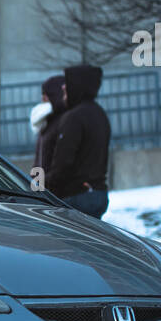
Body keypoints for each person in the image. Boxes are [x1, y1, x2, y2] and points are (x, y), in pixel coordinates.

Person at [46, 64, 110, 215]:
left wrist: (41, 185)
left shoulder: (74, 117)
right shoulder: (99, 113)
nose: (63, 88)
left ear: (77, 86)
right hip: (97, 193)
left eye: (67, 83)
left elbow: (63, 163)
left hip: (77, 196)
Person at [32, 74, 67, 173]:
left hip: (54, 185)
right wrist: (35, 184)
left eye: (47, 94)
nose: (43, 98)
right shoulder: (46, 121)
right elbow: (39, 160)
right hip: (43, 184)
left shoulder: (63, 121)